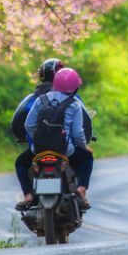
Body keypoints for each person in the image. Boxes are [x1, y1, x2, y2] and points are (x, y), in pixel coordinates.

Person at [24, 67, 94, 208]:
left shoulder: (41, 100)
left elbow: (28, 125)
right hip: (64, 151)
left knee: (20, 163)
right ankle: (81, 189)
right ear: (75, 88)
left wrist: (37, 140)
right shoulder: (74, 104)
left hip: (39, 150)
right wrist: (85, 147)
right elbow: (77, 133)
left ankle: (28, 195)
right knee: (87, 158)